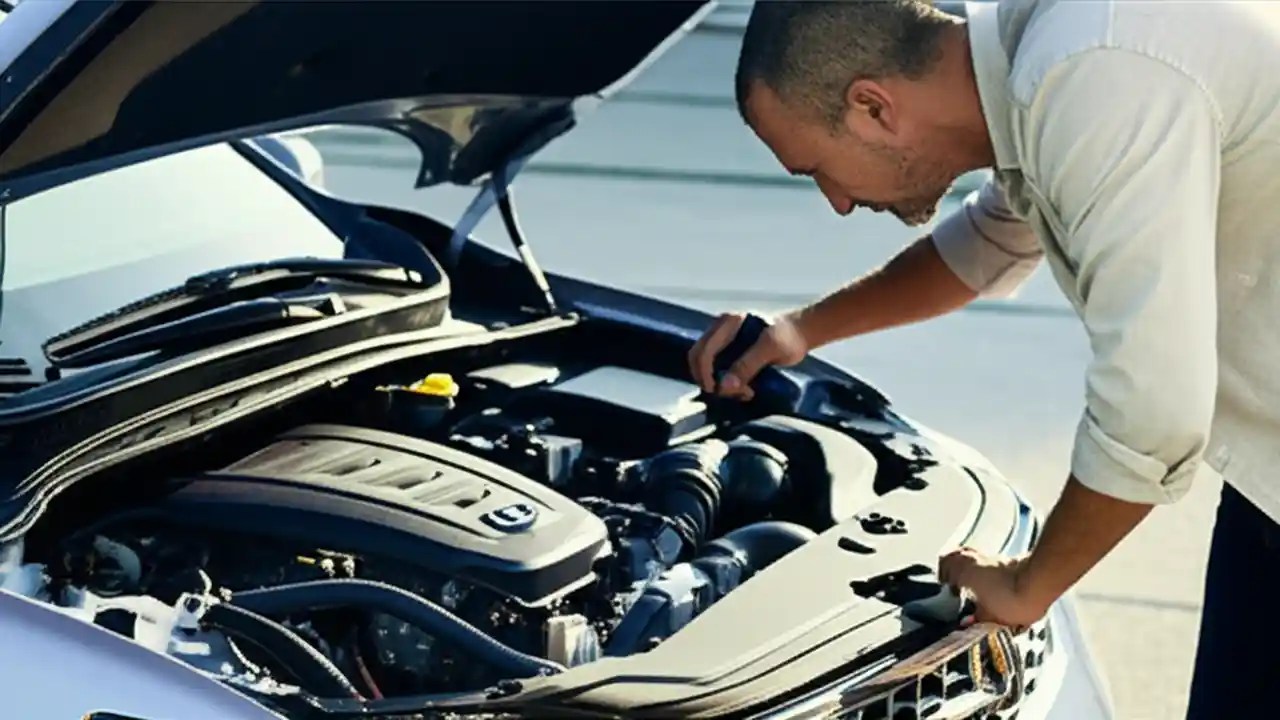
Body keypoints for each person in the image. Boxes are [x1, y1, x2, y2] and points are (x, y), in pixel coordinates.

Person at [686, 1, 1280, 716]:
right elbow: (990, 242)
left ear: (874, 107)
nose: (836, 202)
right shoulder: (1047, 55)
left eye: (815, 168)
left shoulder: (1097, 74)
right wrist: (802, 331)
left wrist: (1030, 584)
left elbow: (1153, 414)